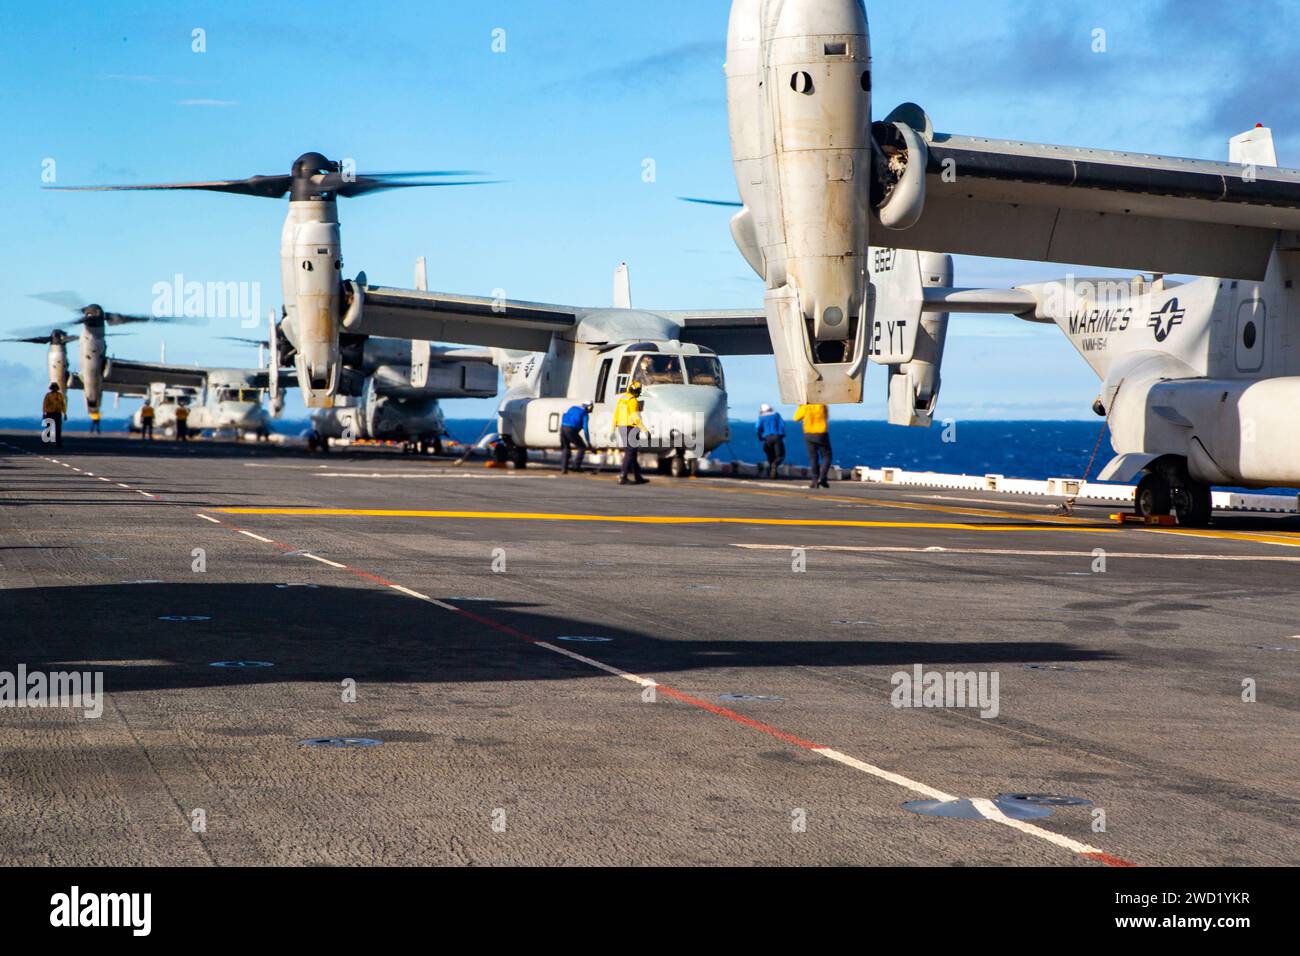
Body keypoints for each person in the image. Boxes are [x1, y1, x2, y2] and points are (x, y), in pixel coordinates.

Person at [611, 380, 649, 485]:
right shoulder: (633, 401)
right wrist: (645, 430)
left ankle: (638, 476)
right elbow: (635, 417)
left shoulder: (622, 399)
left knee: (632, 452)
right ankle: (623, 476)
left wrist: (612, 430)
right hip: (630, 428)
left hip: (621, 427)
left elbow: (615, 415)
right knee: (630, 452)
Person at [794, 402, 831, 489]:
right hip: (822, 433)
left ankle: (814, 481)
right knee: (826, 456)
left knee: (813, 457)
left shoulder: (805, 406)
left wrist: (800, 406)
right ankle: (823, 478)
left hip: (809, 433)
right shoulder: (822, 404)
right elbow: (826, 416)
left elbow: (796, 418)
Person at [560, 401, 592, 474]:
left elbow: (565, 415)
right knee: (582, 447)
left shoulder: (573, 407)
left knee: (566, 448)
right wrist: (588, 442)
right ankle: (576, 466)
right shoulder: (585, 414)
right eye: (591, 407)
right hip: (571, 430)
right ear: (588, 407)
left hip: (563, 427)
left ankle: (563, 469)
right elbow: (585, 429)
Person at [756, 403, 785, 478]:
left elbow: (758, 427)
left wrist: (760, 436)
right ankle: (775, 465)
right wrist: (781, 434)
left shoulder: (761, 417)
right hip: (777, 437)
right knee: (780, 455)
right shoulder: (776, 415)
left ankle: (772, 471)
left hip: (767, 438)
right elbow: (782, 425)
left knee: (770, 455)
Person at [42, 383, 66, 448]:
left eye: (55, 387)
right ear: (51, 388)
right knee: (48, 429)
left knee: (58, 429)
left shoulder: (60, 395)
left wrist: (65, 413)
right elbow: (45, 404)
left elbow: (63, 405)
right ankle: (46, 443)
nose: (54, 389)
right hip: (49, 413)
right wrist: (44, 413)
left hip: (58, 413)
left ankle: (59, 443)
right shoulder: (48, 395)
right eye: (53, 387)